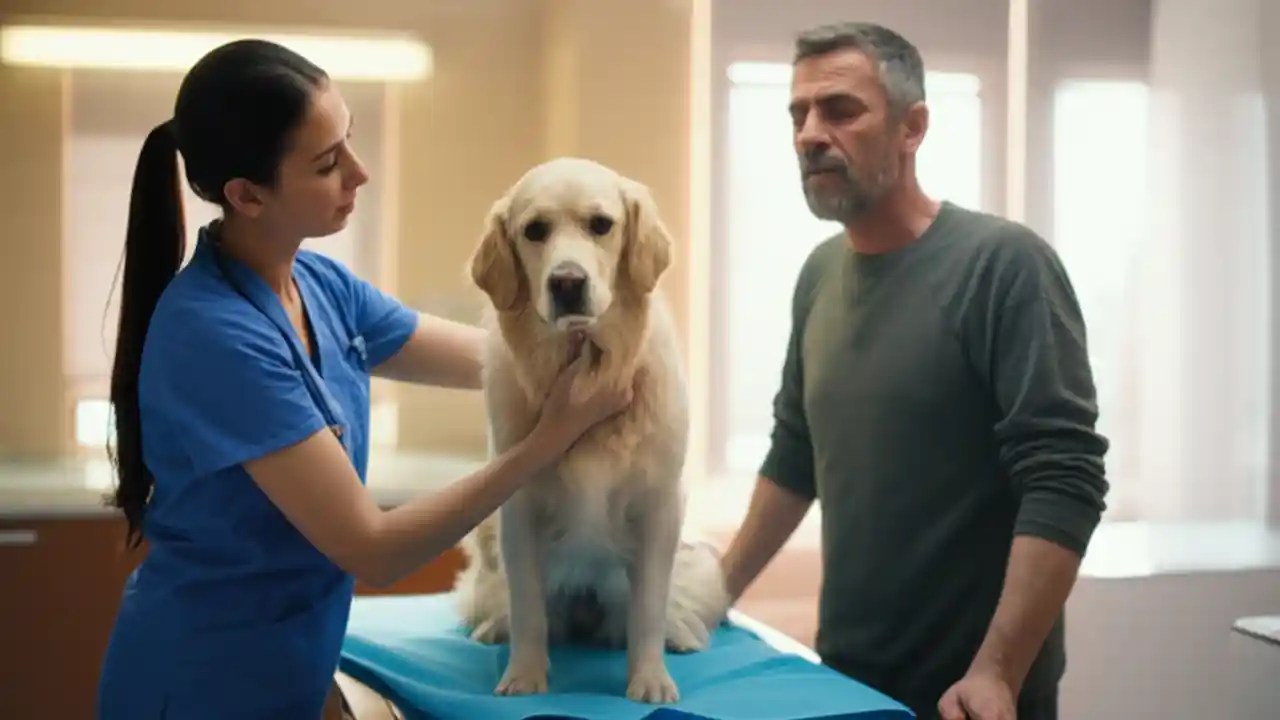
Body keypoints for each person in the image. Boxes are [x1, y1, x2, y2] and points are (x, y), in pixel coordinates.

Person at [95, 39, 632, 719]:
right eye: (327, 163)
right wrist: (547, 441)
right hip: (203, 681)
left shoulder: (318, 285)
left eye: (349, 139)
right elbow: (373, 549)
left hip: (286, 667)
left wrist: (610, 347)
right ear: (246, 194)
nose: (360, 172)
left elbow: (489, 355)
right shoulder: (213, 334)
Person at [715, 21, 1109, 720]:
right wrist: (709, 598)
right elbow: (794, 453)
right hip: (848, 685)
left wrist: (996, 672)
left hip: (975, 699)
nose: (809, 133)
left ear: (912, 127)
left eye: (839, 110)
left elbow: (1065, 477)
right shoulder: (819, 276)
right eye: (797, 114)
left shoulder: (1003, 266)